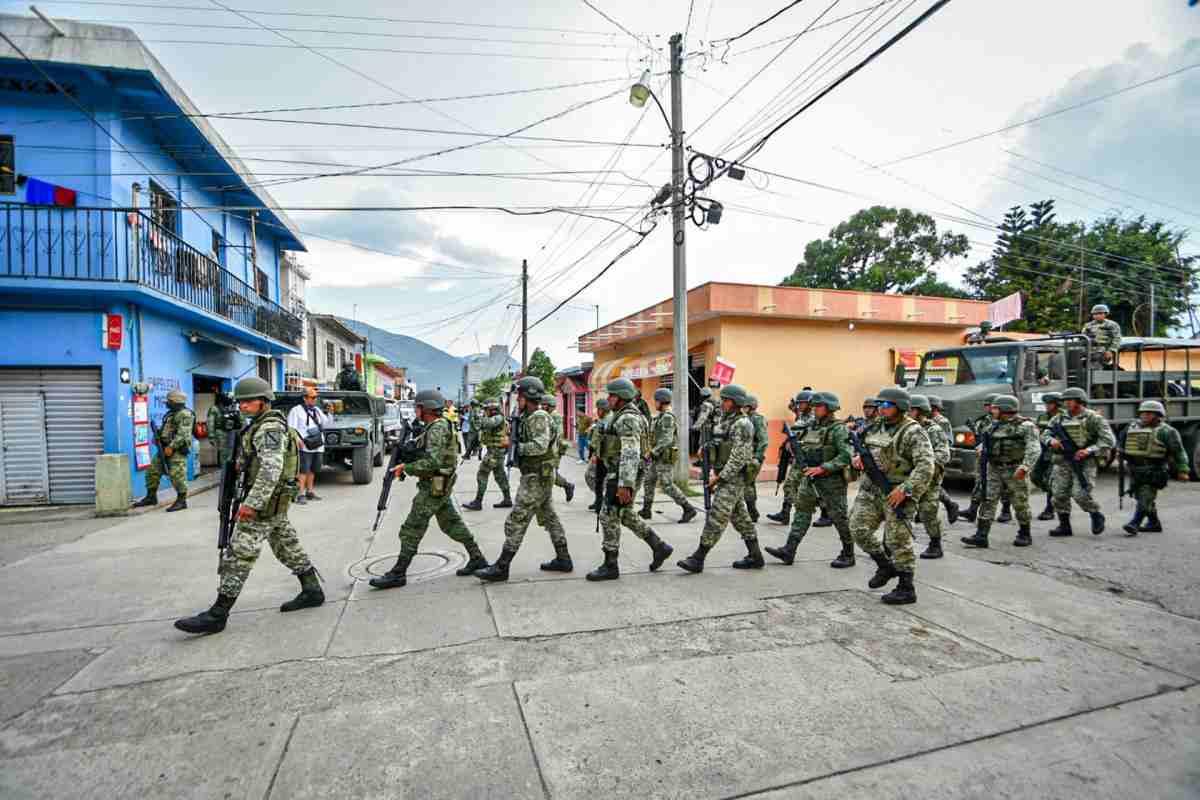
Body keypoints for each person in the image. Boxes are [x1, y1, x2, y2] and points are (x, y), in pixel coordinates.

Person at [174, 377, 323, 634]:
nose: (242, 406)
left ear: (264, 402)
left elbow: (271, 469)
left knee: (239, 556)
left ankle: (218, 614)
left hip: (264, 505)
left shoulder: (269, 429)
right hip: (274, 504)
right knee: (288, 547)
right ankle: (312, 589)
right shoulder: (259, 425)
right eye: (240, 401)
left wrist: (252, 503)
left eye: (248, 401)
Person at [368, 389, 488, 589]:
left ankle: (398, 572)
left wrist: (406, 468)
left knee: (411, 528)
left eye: (418, 407)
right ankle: (477, 558)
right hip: (437, 484)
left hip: (434, 485)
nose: (416, 410)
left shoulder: (437, 428)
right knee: (451, 524)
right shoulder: (434, 426)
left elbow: (432, 462)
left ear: (427, 409)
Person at [476, 377, 573, 581]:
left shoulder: (538, 416)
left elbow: (539, 446)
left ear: (527, 396)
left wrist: (512, 447)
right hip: (537, 474)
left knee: (517, 519)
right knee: (550, 518)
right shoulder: (526, 417)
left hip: (537, 476)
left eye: (519, 396)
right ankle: (564, 559)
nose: (517, 400)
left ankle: (502, 567)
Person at [847, 387, 934, 605]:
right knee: (857, 528)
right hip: (871, 489)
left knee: (898, 540)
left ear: (900, 407)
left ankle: (906, 587)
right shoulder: (874, 427)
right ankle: (885, 566)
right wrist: (858, 458)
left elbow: (926, 465)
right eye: (880, 405)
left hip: (898, 491)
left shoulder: (912, 431)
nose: (881, 409)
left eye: (886, 405)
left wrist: (906, 489)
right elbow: (864, 449)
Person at [587, 378, 675, 580]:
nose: (608, 398)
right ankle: (659, 546)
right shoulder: (622, 415)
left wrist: (624, 484)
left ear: (621, 397)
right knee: (624, 514)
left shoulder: (628, 419)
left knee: (609, 515)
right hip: (620, 471)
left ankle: (611, 565)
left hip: (624, 472)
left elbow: (630, 452)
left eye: (612, 395)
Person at [765, 391, 856, 569]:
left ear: (830, 408)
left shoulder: (838, 429)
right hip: (810, 477)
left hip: (831, 482)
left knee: (839, 518)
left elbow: (846, 456)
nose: (814, 410)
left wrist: (823, 468)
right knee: (801, 512)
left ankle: (848, 553)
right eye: (813, 406)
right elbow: (804, 445)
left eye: (819, 407)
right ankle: (789, 550)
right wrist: (794, 447)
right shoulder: (811, 426)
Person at [677, 384, 762, 574]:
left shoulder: (743, 423)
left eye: (726, 400)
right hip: (725, 474)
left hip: (734, 477)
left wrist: (719, 478)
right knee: (740, 517)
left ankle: (698, 558)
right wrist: (706, 448)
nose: (722, 403)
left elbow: (738, 457)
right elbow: (721, 443)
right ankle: (756, 555)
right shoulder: (726, 420)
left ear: (735, 402)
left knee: (716, 516)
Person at [961, 394, 1040, 549]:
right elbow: (987, 442)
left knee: (1020, 502)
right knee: (988, 499)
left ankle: (1025, 533)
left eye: (996, 408)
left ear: (1005, 409)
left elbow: (1034, 448)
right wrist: (981, 448)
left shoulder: (1025, 426)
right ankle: (981, 536)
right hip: (994, 468)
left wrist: (1025, 467)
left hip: (1015, 468)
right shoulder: (993, 425)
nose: (992, 410)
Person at [1043, 387, 1115, 536]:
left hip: (1084, 462)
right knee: (1058, 494)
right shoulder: (1059, 418)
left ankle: (1096, 514)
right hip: (1062, 461)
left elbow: (1109, 441)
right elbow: (1045, 434)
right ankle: (1064, 526)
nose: (1067, 403)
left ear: (1080, 401)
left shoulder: (1093, 418)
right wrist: (1051, 441)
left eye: (1070, 400)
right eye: (1065, 401)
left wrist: (1088, 450)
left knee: (1080, 494)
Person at [1119, 400, 1189, 535]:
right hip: (1135, 469)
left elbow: (1178, 451)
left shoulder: (1167, 431)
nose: (1144, 416)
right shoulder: (1132, 427)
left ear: (1158, 415)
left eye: (1149, 413)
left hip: (1154, 470)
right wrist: (1120, 451)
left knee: (1145, 496)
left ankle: (1134, 523)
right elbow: (1121, 441)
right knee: (1141, 496)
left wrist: (1183, 469)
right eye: (1143, 413)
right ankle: (1154, 523)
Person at [640, 388, 698, 523]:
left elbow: (666, 439)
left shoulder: (667, 417)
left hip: (664, 457)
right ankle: (646, 510)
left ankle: (688, 509)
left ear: (661, 401)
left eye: (656, 401)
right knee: (649, 481)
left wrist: (652, 452)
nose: (654, 404)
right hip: (657, 457)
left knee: (667, 485)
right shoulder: (660, 416)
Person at [133, 388, 195, 512]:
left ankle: (181, 500)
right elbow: (167, 429)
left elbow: (183, 435)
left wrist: (171, 447)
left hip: (176, 450)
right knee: (152, 471)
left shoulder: (185, 414)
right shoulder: (171, 414)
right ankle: (151, 497)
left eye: (169, 401)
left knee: (177, 476)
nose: (167, 403)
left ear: (176, 402)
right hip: (164, 448)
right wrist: (158, 437)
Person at [908, 395, 950, 559]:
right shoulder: (905, 427)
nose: (908, 412)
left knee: (927, 512)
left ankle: (935, 543)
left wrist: (925, 466)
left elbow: (943, 453)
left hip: (928, 478)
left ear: (920, 411)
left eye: (912, 409)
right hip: (907, 477)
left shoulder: (934, 429)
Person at [767, 389, 815, 525]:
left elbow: (804, 434)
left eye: (802, 403)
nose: (799, 406)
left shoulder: (812, 418)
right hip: (799, 457)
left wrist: (794, 441)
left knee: (814, 488)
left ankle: (828, 515)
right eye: (798, 403)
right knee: (790, 485)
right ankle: (785, 513)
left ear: (810, 403)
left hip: (807, 458)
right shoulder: (803, 416)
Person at [961, 395, 1011, 524]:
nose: (987, 408)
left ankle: (1006, 510)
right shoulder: (982, 421)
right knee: (980, 482)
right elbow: (978, 436)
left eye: (990, 405)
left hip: (998, 457)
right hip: (982, 457)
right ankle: (973, 510)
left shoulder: (1003, 421)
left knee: (1004, 485)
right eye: (987, 405)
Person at [463, 400, 512, 511]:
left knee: (482, 474)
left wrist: (478, 415)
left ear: (493, 410)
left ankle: (478, 502)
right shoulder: (495, 417)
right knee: (500, 477)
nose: (485, 411)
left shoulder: (498, 418)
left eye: (487, 410)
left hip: (494, 452)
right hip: (495, 452)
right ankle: (507, 499)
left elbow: (486, 423)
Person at [287, 387, 331, 505]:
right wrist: (296, 440)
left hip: (318, 445)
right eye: (312, 398)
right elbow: (291, 428)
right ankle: (300, 494)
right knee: (303, 470)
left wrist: (328, 411)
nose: (314, 400)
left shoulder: (317, 410)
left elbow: (326, 423)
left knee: (313, 469)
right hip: (305, 445)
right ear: (305, 398)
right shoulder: (296, 411)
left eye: (315, 397)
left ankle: (310, 492)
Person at [927, 395, 960, 524]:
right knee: (928, 484)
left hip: (937, 456)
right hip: (925, 454)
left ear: (933, 408)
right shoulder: (925, 420)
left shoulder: (942, 421)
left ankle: (950, 504)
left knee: (932, 484)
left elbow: (946, 441)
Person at [740, 394, 769, 523]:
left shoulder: (757, 419)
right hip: (745, 455)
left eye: (744, 406)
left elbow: (763, 440)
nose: (742, 408)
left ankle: (752, 512)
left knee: (747, 483)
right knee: (748, 483)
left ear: (750, 407)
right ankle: (751, 511)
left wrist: (757, 457)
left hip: (754, 457)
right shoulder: (745, 418)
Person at [541, 396, 575, 503]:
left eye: (545, 404)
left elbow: (557, 433)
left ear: (551, 405)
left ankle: (547, 497)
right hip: (548, 449)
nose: (542, 406)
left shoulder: (555, 416)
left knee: (549, 473)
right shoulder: (546, 415)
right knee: (548, 473)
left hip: (554, 449)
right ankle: (567, 486)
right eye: (542, 404)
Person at [1034, 392, 1062, 521]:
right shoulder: (1042, 417)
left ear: (1057, 404)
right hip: (1044, 451)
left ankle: (1049, 509)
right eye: (1046, 403)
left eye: (1049, 403)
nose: (1047, 406)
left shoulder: (1063, 417)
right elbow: (1039, 431)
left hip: (1057, 453)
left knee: (1051, 480)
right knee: (1035, 476)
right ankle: (1056, 493)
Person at [586, 398, 612, 511]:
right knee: (598, 480)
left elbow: (603, 439)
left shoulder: (608, 420)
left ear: (604, 409)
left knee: (602, 480)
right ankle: (599, 501)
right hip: (600, 454)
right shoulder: (602, 420)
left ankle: (603, 502)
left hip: (606, 456)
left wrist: (595, 454)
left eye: (599, 409)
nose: (597, 411)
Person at [205, 391, 241, 470]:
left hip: (232, 432)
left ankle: (228, 470)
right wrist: (211, 436)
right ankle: (224, 472)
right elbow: (210, 423)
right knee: (224, 454)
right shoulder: (215, 408)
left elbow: (239, 420)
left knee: (231, 453)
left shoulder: (231, 407)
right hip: (221, 432)